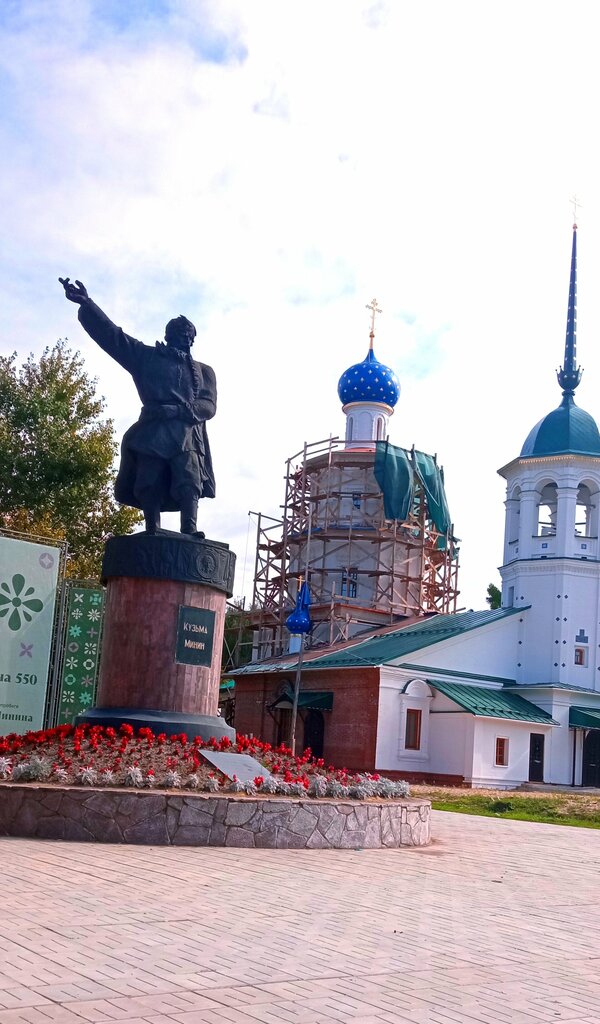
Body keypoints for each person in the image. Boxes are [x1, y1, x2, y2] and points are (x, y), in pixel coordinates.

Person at [59, 277, 216, 536]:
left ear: (193, 341)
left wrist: (177, 411)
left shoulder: (204, 371)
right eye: (179, 335)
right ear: (168, 336)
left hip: (188, 435)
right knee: (149, 480)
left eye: (189, 337)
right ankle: (152, 529)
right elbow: (113, 337)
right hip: (152, 430)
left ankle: (190, 530)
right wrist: (87, 304)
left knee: (189, 480)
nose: (184, 341)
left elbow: (208, 406)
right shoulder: (146, 357)